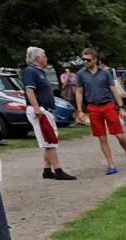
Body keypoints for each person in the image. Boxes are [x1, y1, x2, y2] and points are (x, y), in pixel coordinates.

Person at [75, 47, 126, 174]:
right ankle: (111, 165)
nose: (85, 62)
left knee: (119, 135)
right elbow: (79, 92)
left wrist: (121, 108)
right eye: (83, 59)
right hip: (93, 107)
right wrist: (80, 110)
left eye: (88, 59)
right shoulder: (81, 74)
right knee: (102, 138)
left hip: (108, 105)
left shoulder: (105, 73)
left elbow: (114, 90)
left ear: (95, 60)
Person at [22, 47, 75, 180]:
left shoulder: (39, 72)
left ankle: (47, 170)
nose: (46, 58)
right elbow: (29, 90)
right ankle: (58, 170)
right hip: (40, 110)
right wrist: (37, 109)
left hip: (45, 109)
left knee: (49, 138)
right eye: (44, 56)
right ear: (38, 58)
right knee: (49, 140)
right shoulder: (30, 71)